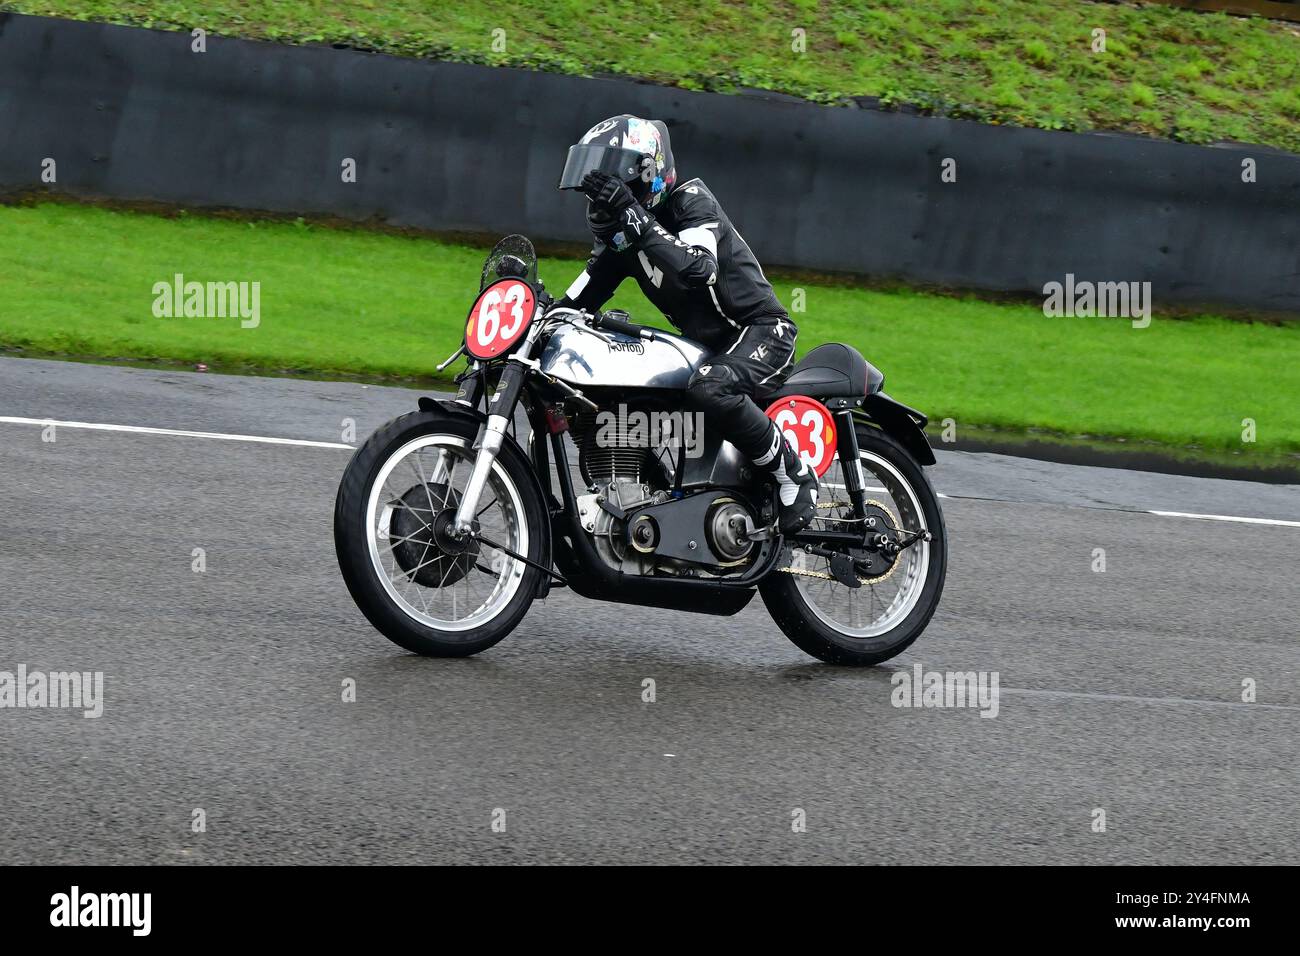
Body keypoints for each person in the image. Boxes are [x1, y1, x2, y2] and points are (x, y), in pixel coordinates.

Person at [556, 114, 818, 534]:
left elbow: (700, 268)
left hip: (762, 332)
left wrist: (634, 217)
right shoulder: (624, 239)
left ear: (647, 175)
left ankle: (794, 474)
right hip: (708, 351)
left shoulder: (690, 201)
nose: (604, 201)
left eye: (615, 187)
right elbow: (574, 300)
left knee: (709, 386)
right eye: (601, 191)